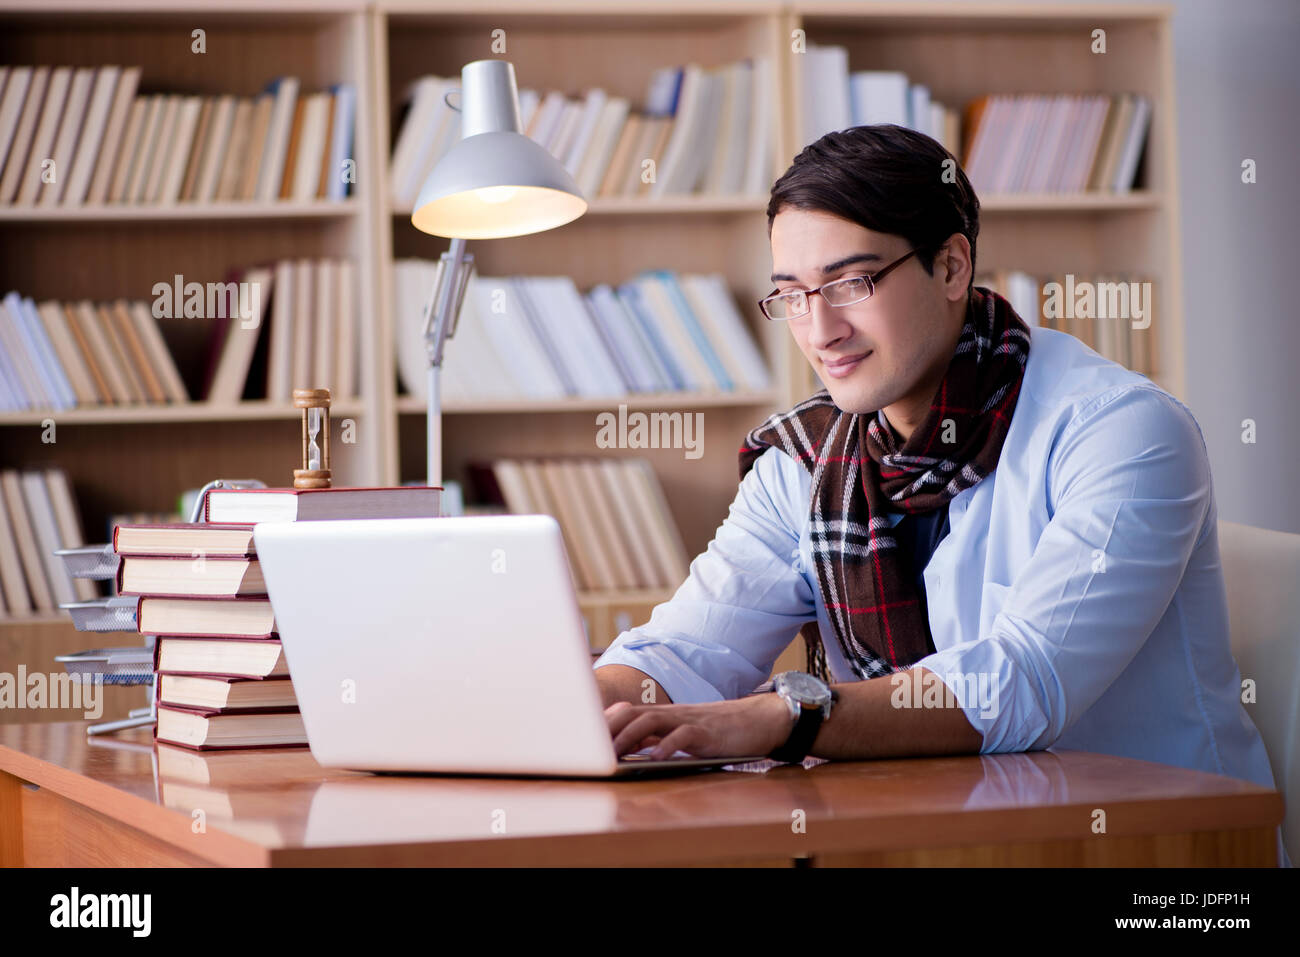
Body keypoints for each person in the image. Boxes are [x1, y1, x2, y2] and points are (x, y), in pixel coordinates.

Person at [592, 125, 1283, 857]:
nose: (819, 329)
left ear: (952, 266)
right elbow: (686, 649)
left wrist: (780, 714)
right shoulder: (806, 459)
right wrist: (573, 706)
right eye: (792, 296)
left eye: (850, 284)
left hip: (1164, 853)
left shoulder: (1123, 430)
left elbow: (1022, 682)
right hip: (938, 838)